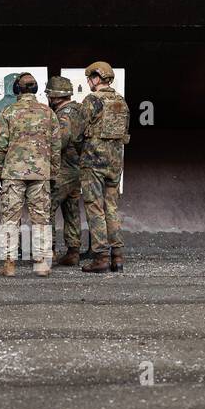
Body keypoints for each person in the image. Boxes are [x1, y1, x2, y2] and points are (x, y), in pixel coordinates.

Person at [0, 72, 60, 277]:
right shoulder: (48, 113)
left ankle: (9, 264)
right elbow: (56, 147)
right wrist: (53, 173)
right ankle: (41, 264)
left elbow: (0, 145)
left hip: (13, 173)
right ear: (36, 89)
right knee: (41, 219)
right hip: (40, 173)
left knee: (10, 219)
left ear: (17, 90)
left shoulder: (8, 112)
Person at [75, 61, 130, 273]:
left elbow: (78, 130)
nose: (88, 82)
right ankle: (117, 256)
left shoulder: (92, 100)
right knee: (112, 207)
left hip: (93, 162)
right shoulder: (121, 102)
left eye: (90, 78)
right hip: (115, 162)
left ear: (97, 78)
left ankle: (101, 257)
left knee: (94, 207)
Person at [45, 75, 86, 266]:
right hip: (77, 167)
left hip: (64, 169)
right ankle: (73, 251)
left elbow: (60, 141)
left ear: (54, 96)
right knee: (71, 210)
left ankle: (48, 251)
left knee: (47, 208)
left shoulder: (64, 115)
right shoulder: (79, 111)